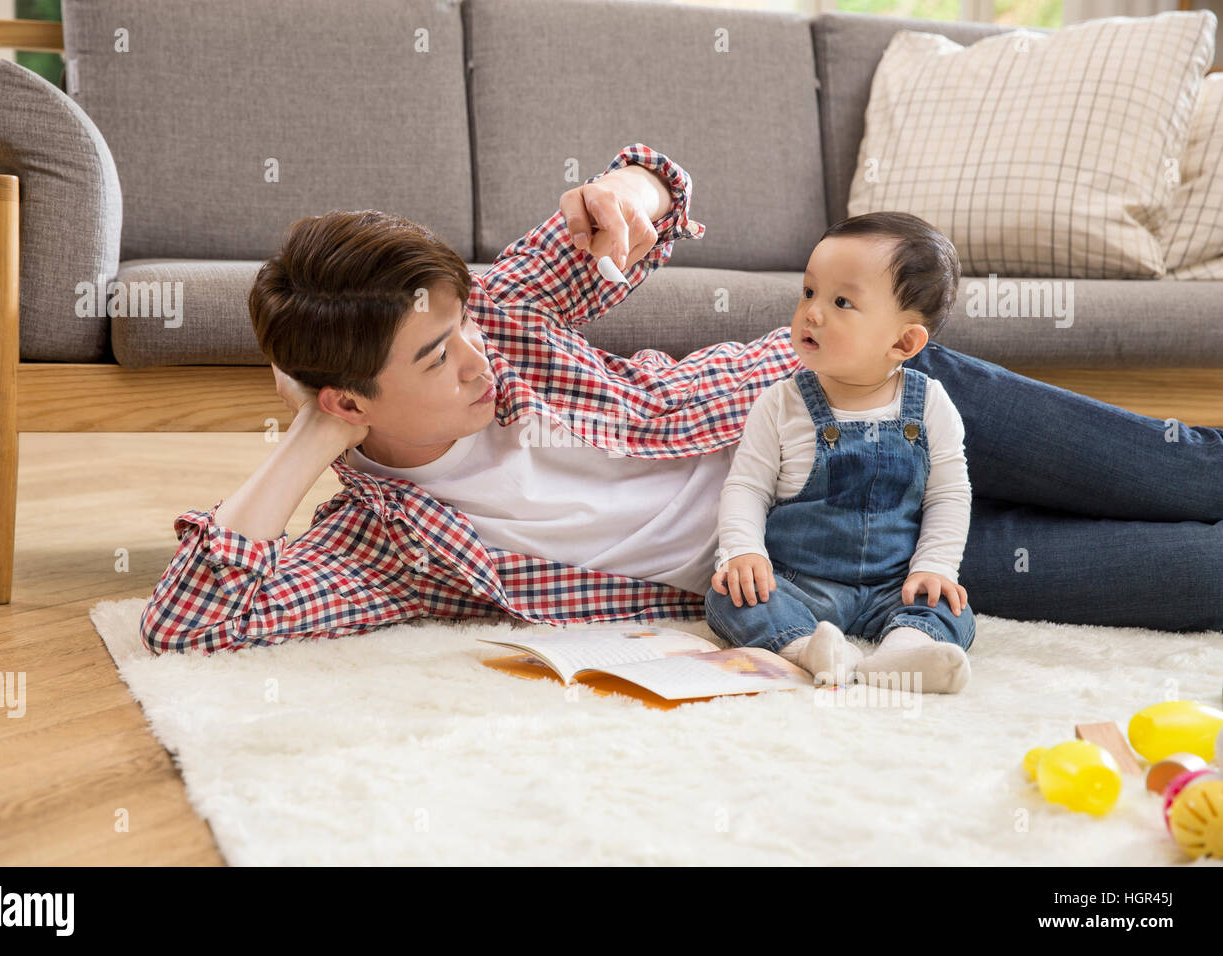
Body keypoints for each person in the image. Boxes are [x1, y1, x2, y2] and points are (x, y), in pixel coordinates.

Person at [140, 143, 1223, 657]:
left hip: (866, 394)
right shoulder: (386, 546)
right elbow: (189, 616)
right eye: (434, 358)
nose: (475, 357)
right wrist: (302, 443)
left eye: (460, 320)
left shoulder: (500, 318)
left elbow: (651, 187)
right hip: (850, 564)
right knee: (1198, 575)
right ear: (348, 401)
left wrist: (628, 193)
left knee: (1187, 470)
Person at [706, 212, 975, 694]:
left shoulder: (930, 404)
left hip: (895, 586)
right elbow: (746, 486)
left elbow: (949, 495)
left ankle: (904, 650)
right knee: (729, 597)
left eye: (841, 301)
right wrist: (744, 551)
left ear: (903, 341)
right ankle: (807, 646)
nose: (812, 312)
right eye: (809, 292)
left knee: (950, 605)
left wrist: (934, 568)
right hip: (799, 584)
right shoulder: (781, 403)